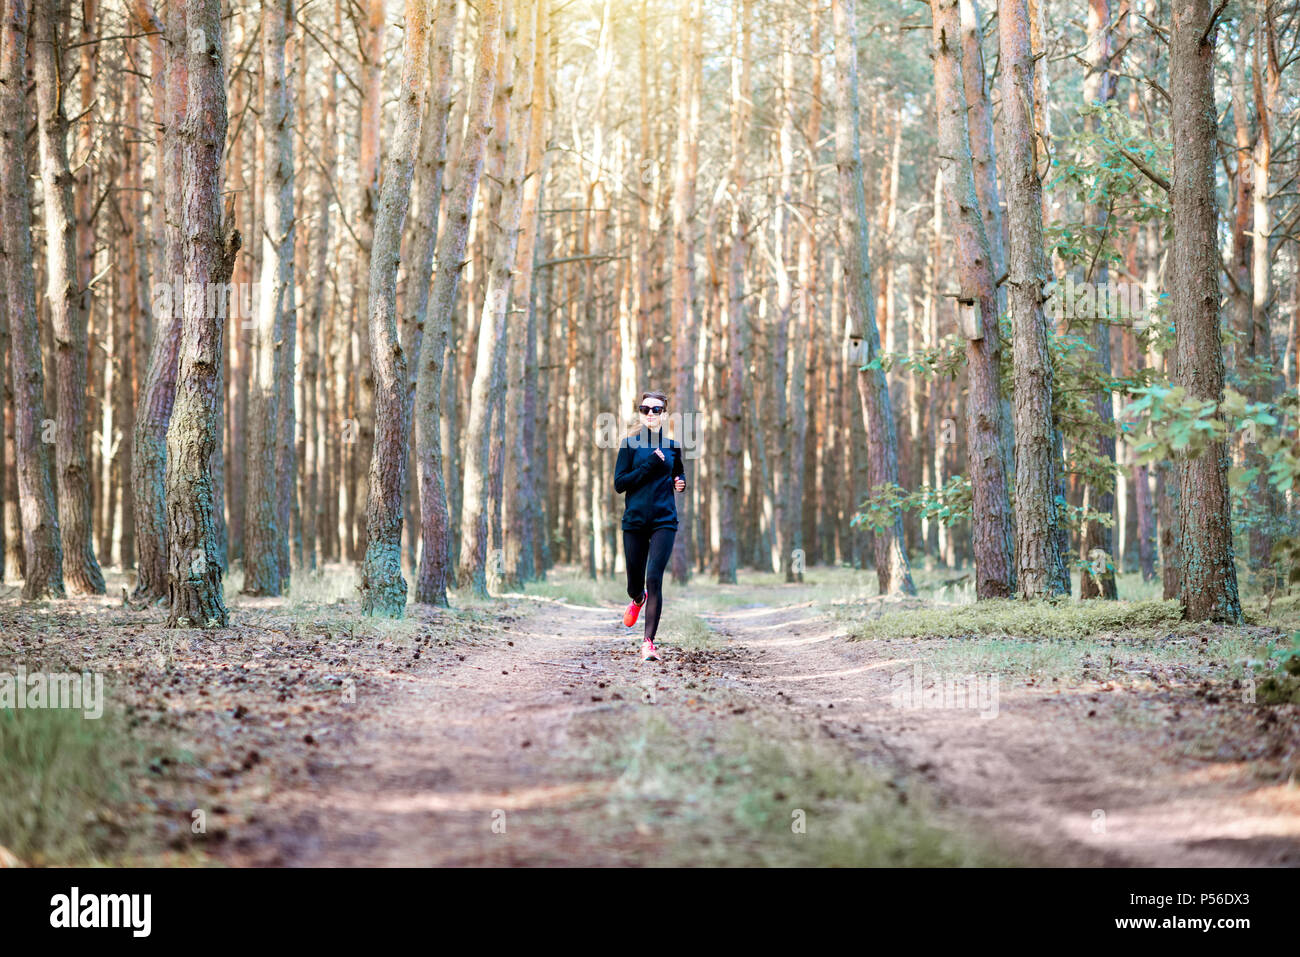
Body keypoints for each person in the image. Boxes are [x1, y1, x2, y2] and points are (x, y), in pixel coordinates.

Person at [613, 390, 686, 662]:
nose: (651, 414)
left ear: (664, 414)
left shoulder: (673, 446)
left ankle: (648, 644)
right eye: (646, 409)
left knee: (654, 577)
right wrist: (650, 464)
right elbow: (620, 484)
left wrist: (680, 482)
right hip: (634, 522)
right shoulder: (628, 446)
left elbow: (678, 473)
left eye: (657, 410)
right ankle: (637, 598)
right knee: (636, 583)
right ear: (640, 413)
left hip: (664, 520)